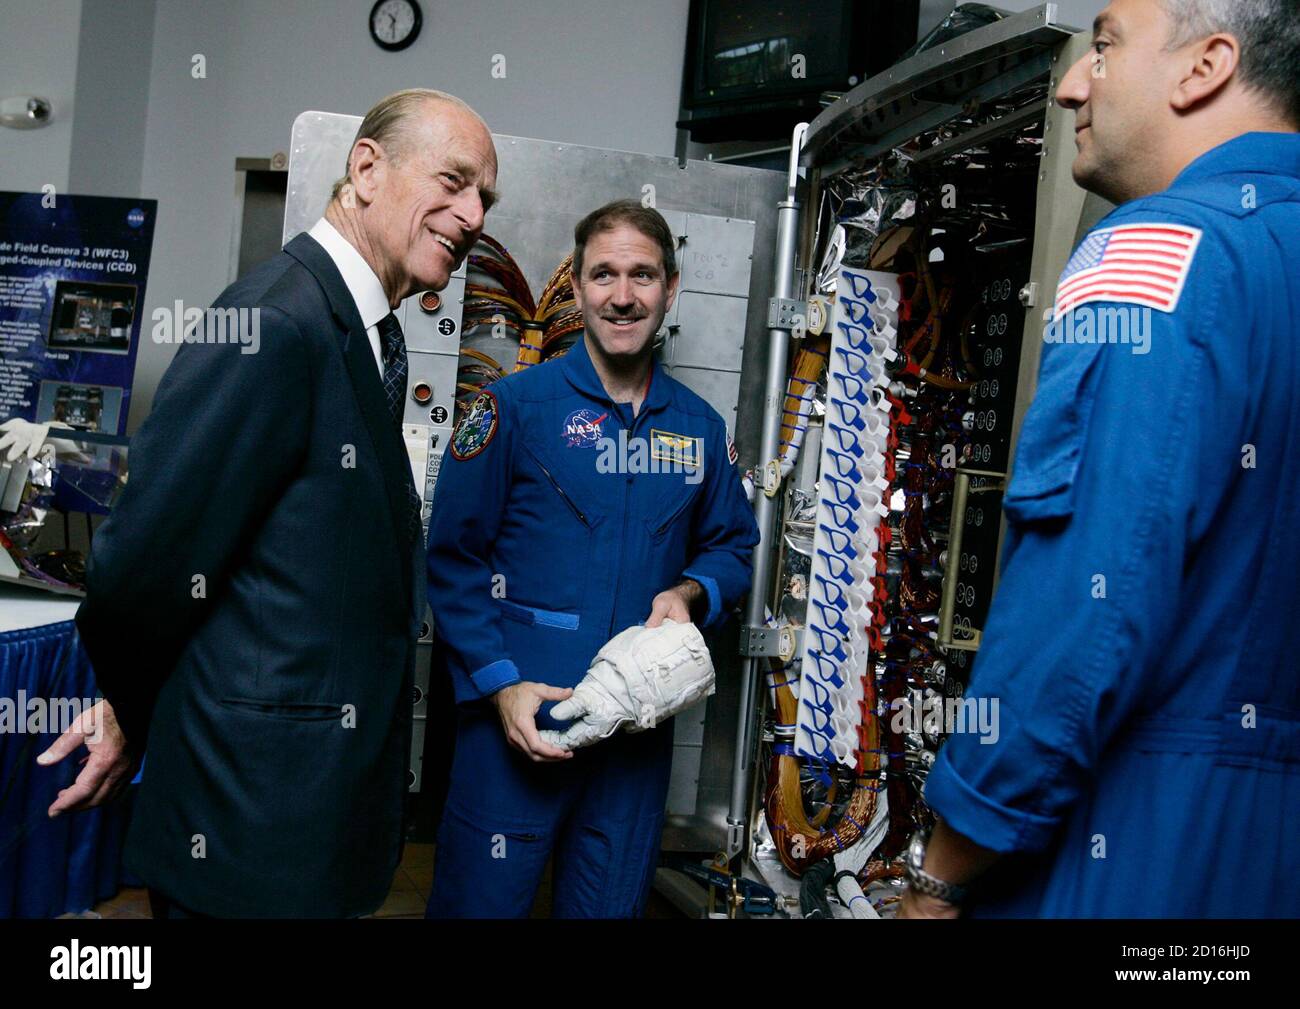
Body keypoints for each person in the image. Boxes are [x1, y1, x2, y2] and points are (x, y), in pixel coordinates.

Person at [38, 88, 499, 917]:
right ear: (365, 168)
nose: (471, 215)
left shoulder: (358, 331)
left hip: (307, 829)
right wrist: (134, 711)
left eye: (485, 199)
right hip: (249, 829)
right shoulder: (273, 324)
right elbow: (142, 566)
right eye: (455, 181)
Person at [900, 0, 1300, 918]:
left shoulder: (1154, 254)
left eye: (1105, 46)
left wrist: (942, 865)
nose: (1073, 83)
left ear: (1204, 67)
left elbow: (1082, 613)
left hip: (1130, 856)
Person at [424, 199, 759, 917]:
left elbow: (733, 543)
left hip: (634, 747)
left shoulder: (699, 429)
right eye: (603, 274)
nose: (623, 295)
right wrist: (499, 684)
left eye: (643, 275)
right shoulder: (513, 410)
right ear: (576, 290)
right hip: (518, 726)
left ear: (671, 289)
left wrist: (694, 592)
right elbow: (452, 559)